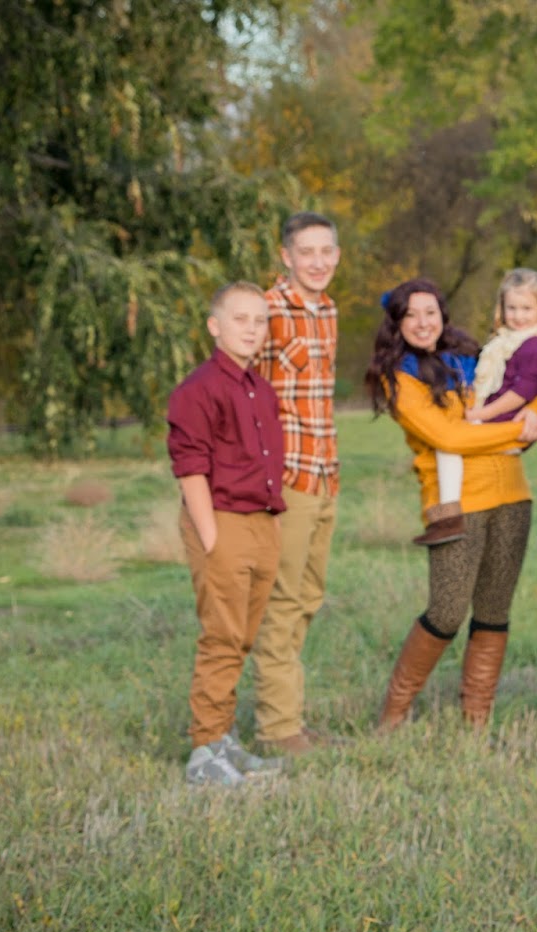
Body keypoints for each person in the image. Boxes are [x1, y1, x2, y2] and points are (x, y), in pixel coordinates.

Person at [365, 278, 537, 731]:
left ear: (443, 315)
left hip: (512, 495)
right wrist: (516, 430)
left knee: (494, 610)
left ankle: (476, 719)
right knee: (446, 611)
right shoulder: (400, 376)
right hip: (455, 505)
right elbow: (450, 437)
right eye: (411, 315)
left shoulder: (476, 355)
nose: (422, 322)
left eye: (430, 312)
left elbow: (532, 390)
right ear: (397, 323)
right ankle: (393, 715)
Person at [166, 282, 287, 787]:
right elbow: (191, 468)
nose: (252, 329)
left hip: (261, 522)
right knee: (222, 636)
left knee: (242, 636)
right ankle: (204, 752)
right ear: (215, 326)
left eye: (260, 321)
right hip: (220, 520)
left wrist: (272, 525)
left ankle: (223, 739)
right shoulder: (198, 389)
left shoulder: (261, 389)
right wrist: (211, 538)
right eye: (240, 319)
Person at [249, 212, 342, 757]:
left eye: (326, 251)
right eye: (306, 252)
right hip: (286, 480)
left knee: (309, 596)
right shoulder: (266, 310)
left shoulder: (327, 310)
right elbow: (237, 387)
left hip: (325, 473)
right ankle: (277, 730)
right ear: (286, 256)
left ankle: (292, 719)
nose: (317, 261)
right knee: (282, 602)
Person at [418, 267, 537, 546]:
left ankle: (449, 517)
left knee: (448, 445)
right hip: (496, 419)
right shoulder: (504, 342)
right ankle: (455, 513)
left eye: (527, 309)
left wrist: (482, 414)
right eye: (512, 308)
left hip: (505, 423)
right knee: (449, 445)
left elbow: (522, 392)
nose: (518, 316)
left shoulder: (535, 345)